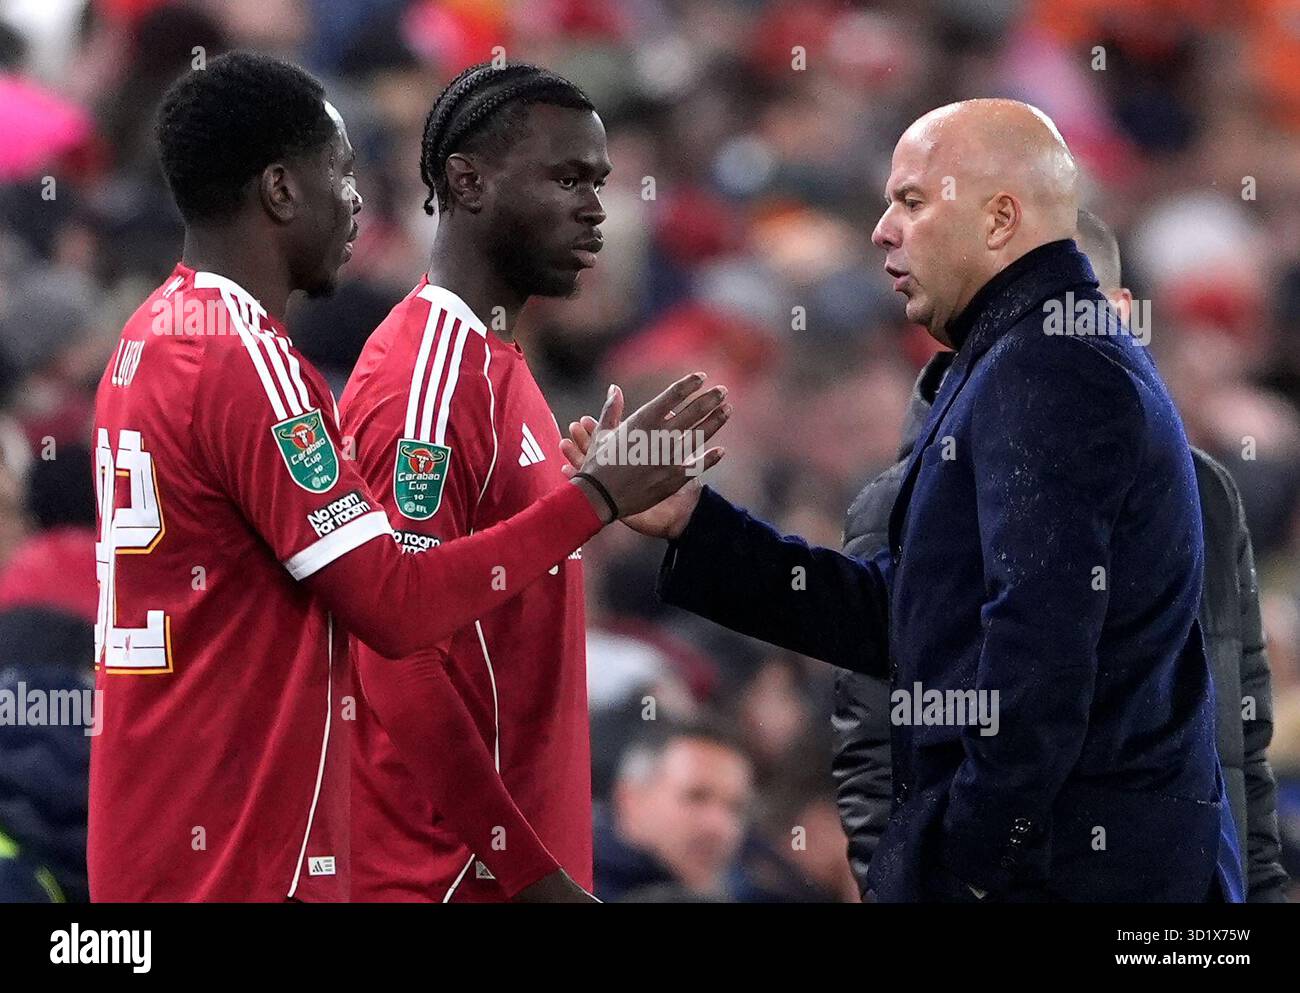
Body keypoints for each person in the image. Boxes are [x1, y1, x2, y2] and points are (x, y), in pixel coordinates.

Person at [564, 99, 1242, 901]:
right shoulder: (1006, 358)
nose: (882, 228)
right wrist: (696, 525)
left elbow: (1041, 660)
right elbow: (909, 618)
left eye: (913, 200)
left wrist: (971, 863)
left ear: (999, 219)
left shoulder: (1052, 367)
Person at [89, 52, 728, 903]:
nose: (360, 203)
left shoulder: (154, 333)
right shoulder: (279, 359)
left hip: (170, 840)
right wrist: (595, 498)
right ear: (281, 191)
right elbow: (393, 622)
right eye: (343, 174)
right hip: (268, 861)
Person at [341, 62, 731, 902]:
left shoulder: (502, 364)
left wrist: (594, 503)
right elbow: (396, 660)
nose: (596, 208)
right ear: (466, 180)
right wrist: (530, 877)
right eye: (567, 179)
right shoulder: (427, 376)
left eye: (600, 181)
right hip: (442, 879)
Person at [830, 209, 1289, 902]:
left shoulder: (1204, 492)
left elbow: (1240, 726)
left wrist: (1259, 890)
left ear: (1123, 315)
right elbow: (873, 753)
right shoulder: (898, 505)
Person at [593, 722, 753, 902]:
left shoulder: (747, 890)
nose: (718, 826)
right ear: (630, 801)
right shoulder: (572, 889)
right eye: (696, 797)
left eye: (736, 808)